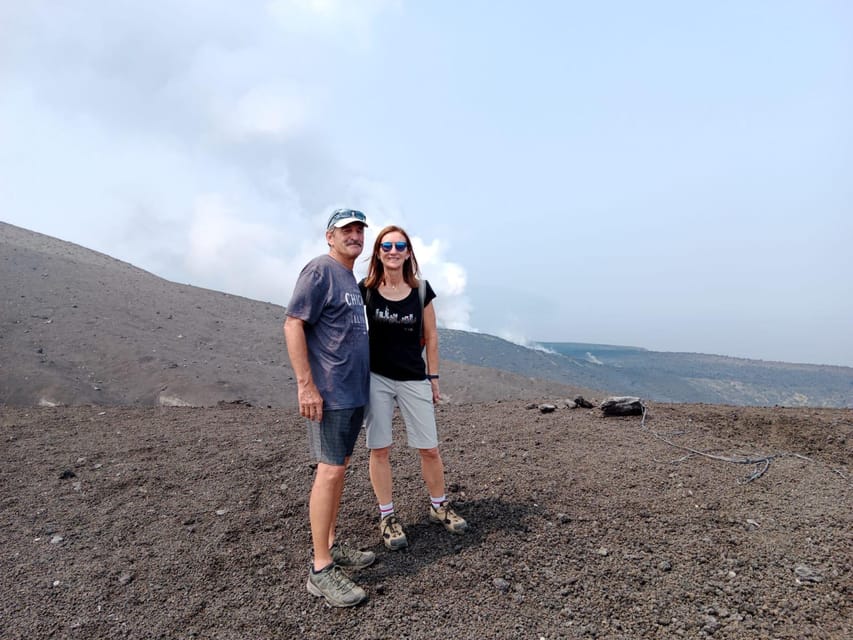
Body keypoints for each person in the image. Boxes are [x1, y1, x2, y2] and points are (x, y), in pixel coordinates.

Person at [283, 208, 376, 607]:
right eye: (346, 230)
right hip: (331, 392)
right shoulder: (320, 271)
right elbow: (293, 323)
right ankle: (320, 569)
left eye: (359, 230)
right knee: (330, 470)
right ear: (329, 236)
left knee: (340, 470)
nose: (354, 235)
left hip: (354, 392)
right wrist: (306, 386)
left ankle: (332, 545)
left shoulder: (350, 279)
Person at [359, 225, 468, 551]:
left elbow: (432, 336)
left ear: (409, 252)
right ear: (378, 251)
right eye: (387, 246)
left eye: (400, 246)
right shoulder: (365, 290)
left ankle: (439, 505)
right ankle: (387, 516)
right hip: (375, 377)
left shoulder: (421, 291)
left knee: (429, 447)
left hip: (414, 377)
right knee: (379, 448)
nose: (393, 251)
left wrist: (434, 378)